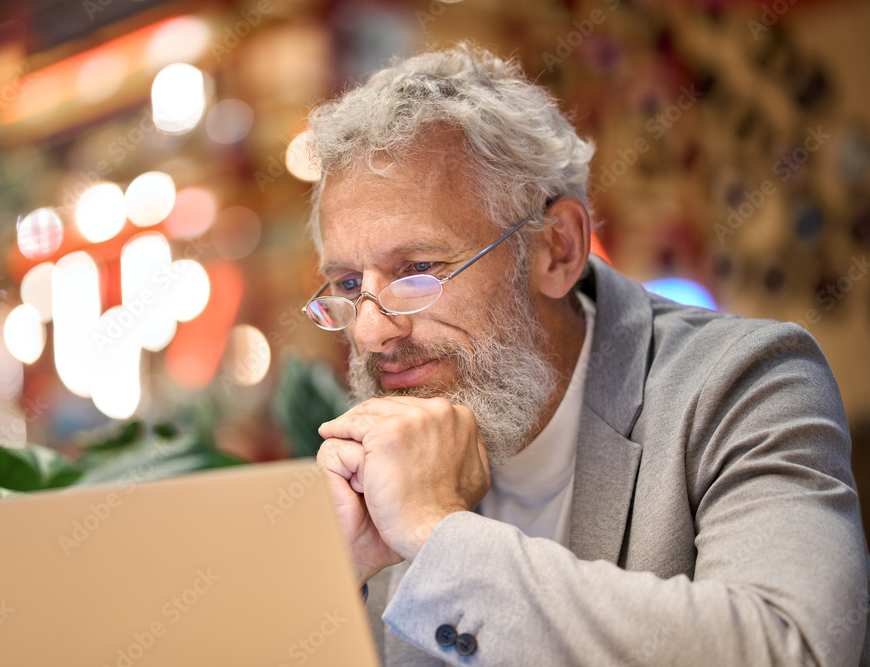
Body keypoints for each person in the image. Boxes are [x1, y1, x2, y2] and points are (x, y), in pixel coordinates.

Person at [306, 45, 869, 666]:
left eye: (417, 269)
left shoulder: (745, 381)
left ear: (557, 250)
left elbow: (794, 649)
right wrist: (338, 584)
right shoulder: (370, 452)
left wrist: (436, 535)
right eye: (351, 285)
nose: (368, 333)